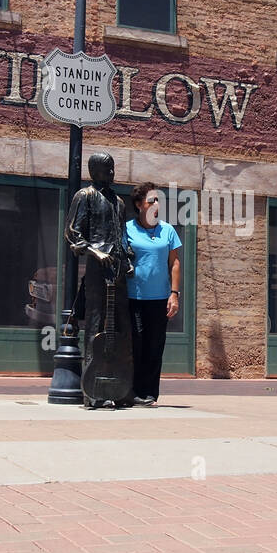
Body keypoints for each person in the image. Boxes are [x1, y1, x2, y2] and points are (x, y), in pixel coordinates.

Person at [66, 153, 135, 408]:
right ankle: (92, 391)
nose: (112, 174)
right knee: (95, 324)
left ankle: (121, 387)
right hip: (98, 270)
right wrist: (96, 252)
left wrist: (127, 261)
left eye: (113, 169)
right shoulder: (84, 196)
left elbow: (123, 236)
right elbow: (72, 232)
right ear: (94, 171)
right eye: (107, 169)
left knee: (122, 327)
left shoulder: (118, 201)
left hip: (117, 268)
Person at [124, 182, 182, 406]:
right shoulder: (127, 229)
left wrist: (174, 294)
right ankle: (132, 390)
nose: (156, 204)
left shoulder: (167, 230)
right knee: (136, 344)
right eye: (151, 200)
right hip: (134, 298)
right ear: (139, 205)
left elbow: (174, 263)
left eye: (158, 200)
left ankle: (149, 393)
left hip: (159, 299)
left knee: (155, 345)